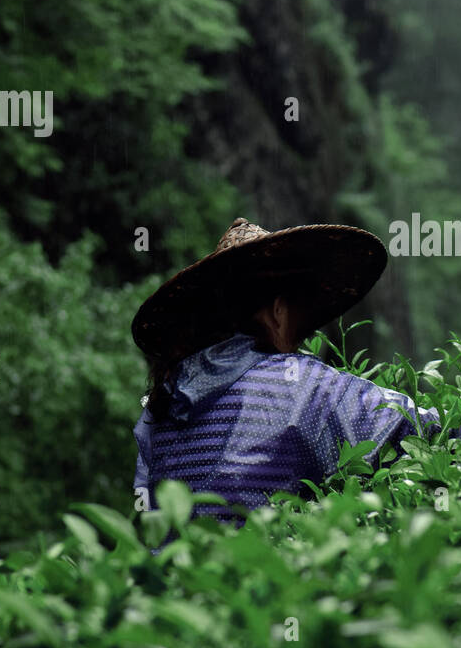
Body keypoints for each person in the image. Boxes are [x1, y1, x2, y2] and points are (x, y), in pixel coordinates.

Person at [130, 217, 444, 526]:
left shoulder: (159, 409)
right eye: (298, 328)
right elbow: (426, 433)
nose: (298, 345)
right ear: (277, 312)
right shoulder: (304, 387)